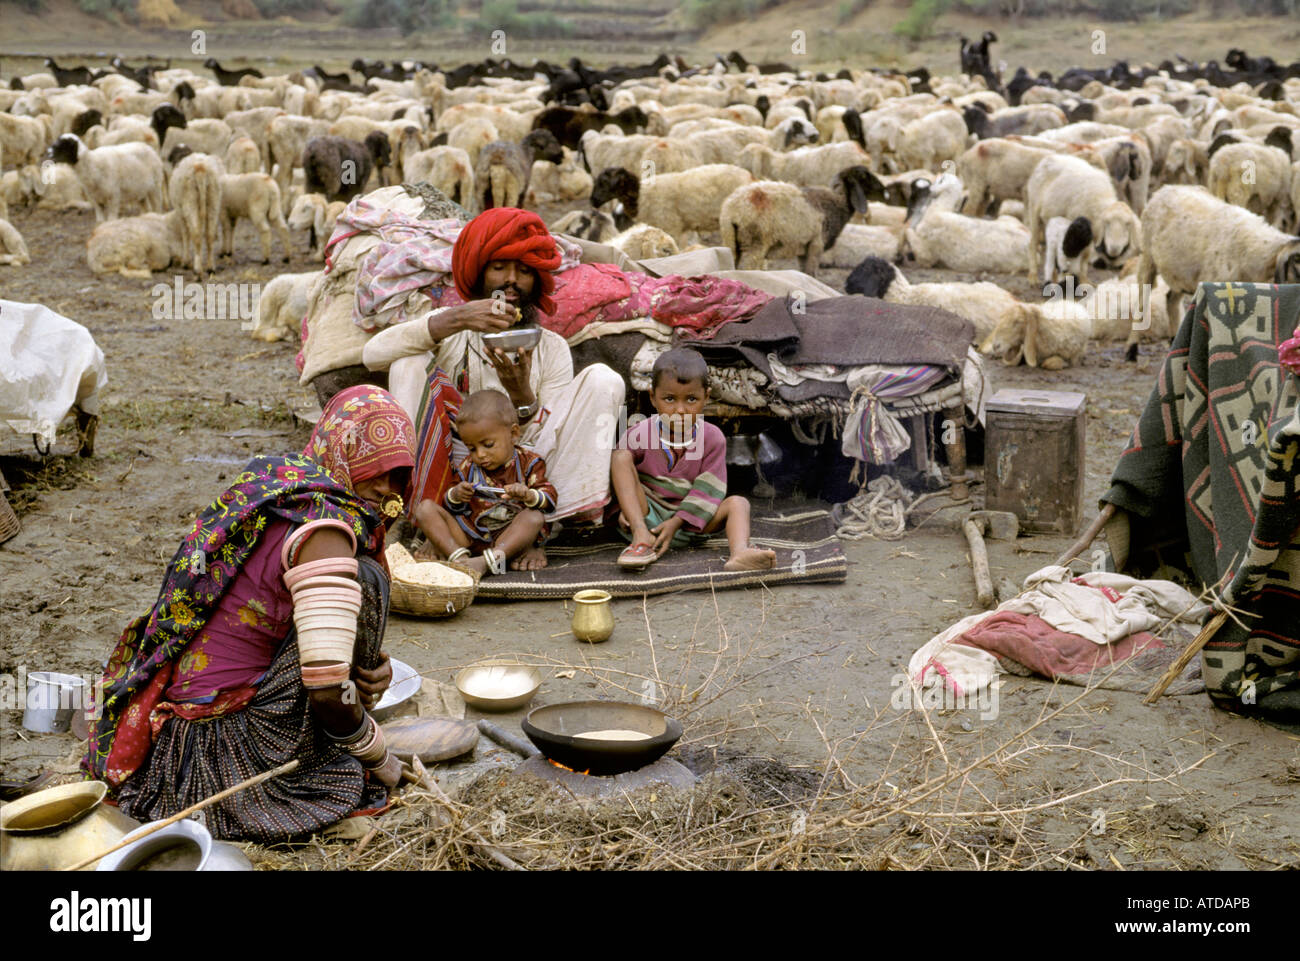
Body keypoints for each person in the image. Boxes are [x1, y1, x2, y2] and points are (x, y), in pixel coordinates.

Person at [82, 386, 415, 842]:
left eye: (398, 475)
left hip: (177, 737)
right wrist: (377, 756)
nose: (386, 490)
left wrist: (362, 667)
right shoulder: (327, 533)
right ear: (341, 452)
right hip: (221, 760)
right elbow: (324, 692)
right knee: (366, 582)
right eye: (372, 470)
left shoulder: (281, 487)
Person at [361, 207, 626, 568]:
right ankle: (422, 520)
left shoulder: (550, 347)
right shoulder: (454, 331)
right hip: (460, 473)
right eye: (499, 268)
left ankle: (536, 534)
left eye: (524, 270)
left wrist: (522, 399)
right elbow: (372, 353)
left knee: (604, 379)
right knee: (407, 362)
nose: (511, 281)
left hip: (526, 478)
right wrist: (455, 317)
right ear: (480, 274)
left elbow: (546, 445)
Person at [610, 347, 777, 572]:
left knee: (738, 503)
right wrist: (627, 511)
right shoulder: (639, 433)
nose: (680, 409)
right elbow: (620, 479)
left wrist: (677, 521)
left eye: (691, 399)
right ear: (653, 397)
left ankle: (739, 553)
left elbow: (708, 490)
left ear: (706, 398)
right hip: (648, 517)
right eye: (669, 399)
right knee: (620, 457)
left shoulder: (712, 438)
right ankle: (641, 539)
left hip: (693, 523)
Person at [414, 389, 558, 575]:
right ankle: (460, 559)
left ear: (514, 434)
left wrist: (528, 494)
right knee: (425, 509)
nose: (480, 455)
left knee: (534, 518)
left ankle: (486, 563)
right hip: (471, 533)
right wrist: (457, 494)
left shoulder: (529, 463)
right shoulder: (468, 465)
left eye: (488, 445)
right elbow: (450, 504)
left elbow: (550, 498)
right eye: (472, 448)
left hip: (507, 539)